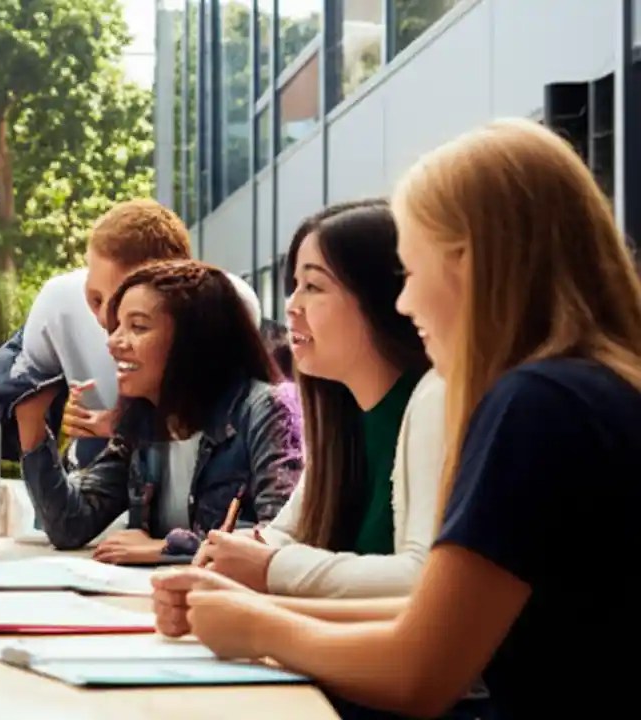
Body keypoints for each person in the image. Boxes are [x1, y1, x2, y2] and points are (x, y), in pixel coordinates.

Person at [156, 118, 641, 718]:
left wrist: (260, 627)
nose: (405, 304)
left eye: (410, 273)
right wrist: (256, 609)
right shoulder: (599, 389)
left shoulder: (536, 404)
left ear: (469, 262)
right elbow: (433, 617)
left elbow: (419, 671)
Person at [192, 200, 446, 598]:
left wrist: (271, 566)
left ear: (382, 298)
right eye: (294, 286)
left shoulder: (435, 398)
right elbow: (284, 534)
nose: (292, 306)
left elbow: (425, 578)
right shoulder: (340, 414)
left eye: (313, 286)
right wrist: (232, 554)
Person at [14, 260, 302, 564]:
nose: (113, 342)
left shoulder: (267, 410)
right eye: (116, 326)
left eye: (138, 327)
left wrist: (166, 548)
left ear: (193, 340)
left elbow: (279, 537)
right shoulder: (142, 420)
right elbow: (71, 524)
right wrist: (33, 429)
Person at [0, 199, 262, 471]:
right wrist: (52, 416)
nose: (105, 324)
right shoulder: (60, 302)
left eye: (136, 320)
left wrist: (128, 427)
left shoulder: (228, 305)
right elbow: (12, 406)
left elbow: (241, 420)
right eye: (95, 299)